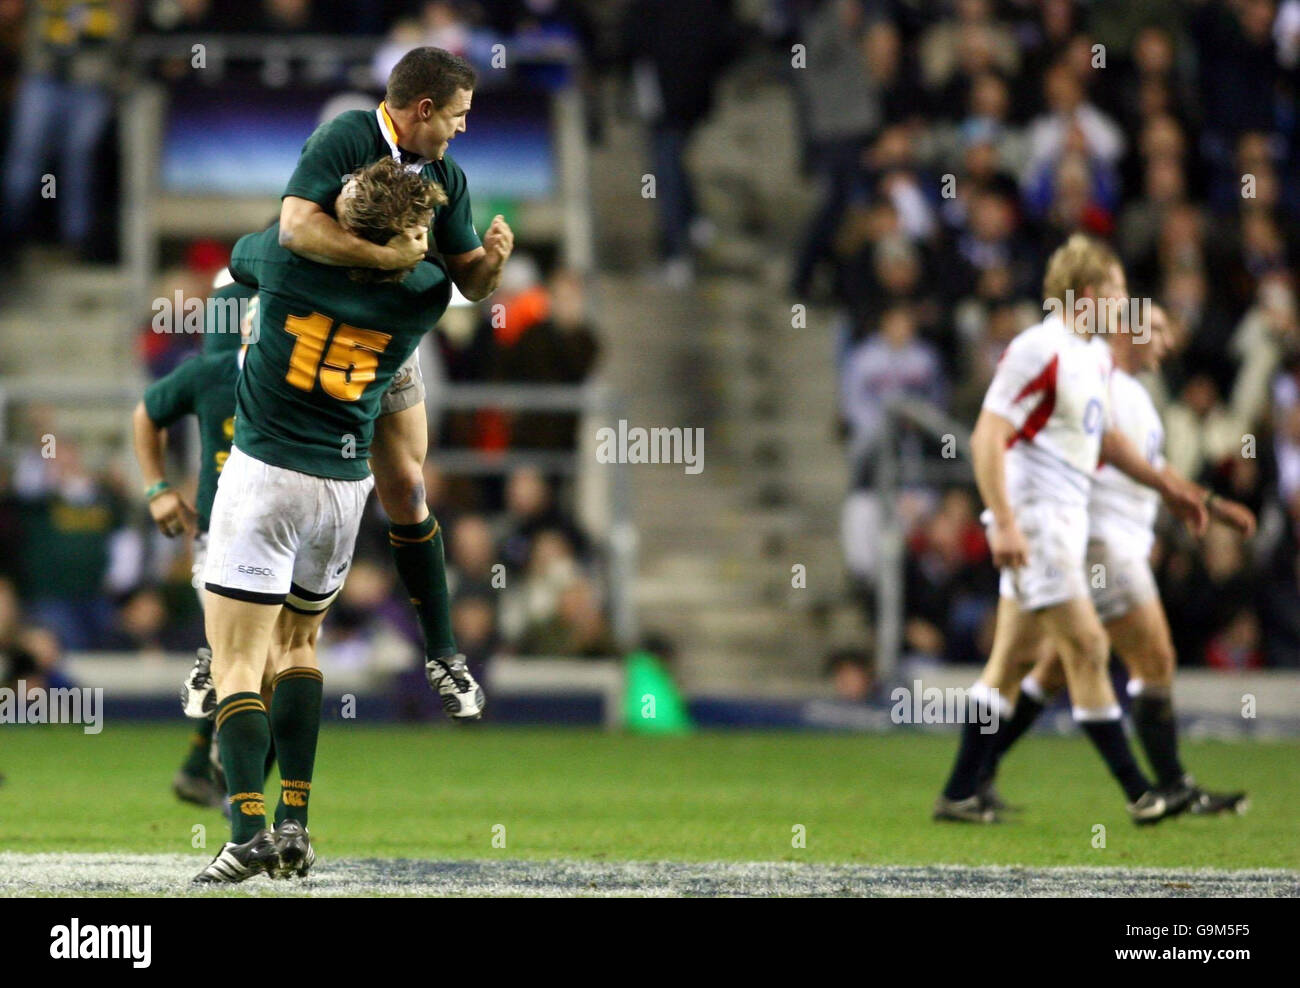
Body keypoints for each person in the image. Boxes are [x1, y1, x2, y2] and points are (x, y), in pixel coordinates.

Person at [193, 160, 462, 884]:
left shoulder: (285, 261)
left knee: (236, 660)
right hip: (343, 491)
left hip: (265, 473)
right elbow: (443, 266)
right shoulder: (424, 294)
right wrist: (415, 252)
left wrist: (327, 226)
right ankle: (296, 824)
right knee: (301, 643)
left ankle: (248, 827)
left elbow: (246, 253)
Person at [933, 234, 1207, 825]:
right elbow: (987, 435)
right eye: (1117, 290)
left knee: (1008, 666)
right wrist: (1003, 522)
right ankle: (1141, 793)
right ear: (1088, 294)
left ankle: (960, 791)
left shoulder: (1088, 356)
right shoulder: (1040, 346)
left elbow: (1106, 440)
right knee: (1086, 646)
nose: (1125, 301)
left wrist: (1173, 488)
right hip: (1036, 519)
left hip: (1063, 519)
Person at [276, 46, 513, 712]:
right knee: (286, 498)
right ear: (424, 108)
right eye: (458, 116)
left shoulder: (448, 177)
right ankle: (235, 652)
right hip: (310, 329)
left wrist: (490, 265)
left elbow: (465, 276)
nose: (462, 129)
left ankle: (442, 655)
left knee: (408, 486)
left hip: (386, 337)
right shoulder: (346, 135)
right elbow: (294, 227)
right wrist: (378, 253)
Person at [975, 306, 1255, 815]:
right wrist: (1202, 505)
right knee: (1154, 658)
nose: (1168, 343)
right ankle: (1166, 786)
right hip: (1100, 540)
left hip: (1110, 538)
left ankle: (976, 773)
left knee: (1053, 667)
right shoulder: (1095, 373)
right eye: (1160, 330)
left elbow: (1151, 463)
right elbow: (1108, 452)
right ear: (1128, 329)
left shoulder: (1134, 393)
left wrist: (1205, 503)